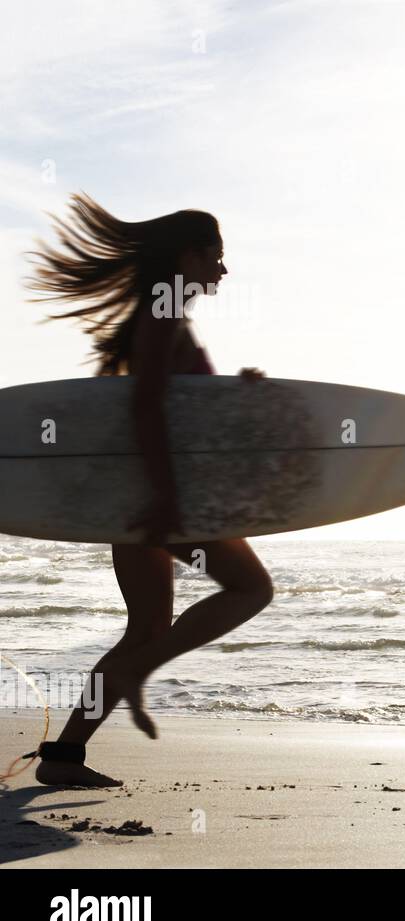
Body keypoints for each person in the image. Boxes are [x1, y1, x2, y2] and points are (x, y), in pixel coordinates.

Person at [22, 193, 274, 787]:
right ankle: (144, 672)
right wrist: (165, 499)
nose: (223, 268)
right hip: (161, 498)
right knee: (251, 588)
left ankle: (62, 758)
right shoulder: (160, 318)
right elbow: (146, 411)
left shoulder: (163, 317)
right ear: (190, 253)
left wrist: (233, 392)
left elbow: (177, 409)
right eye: (217, 255)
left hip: (130, 499)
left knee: (145, 628)